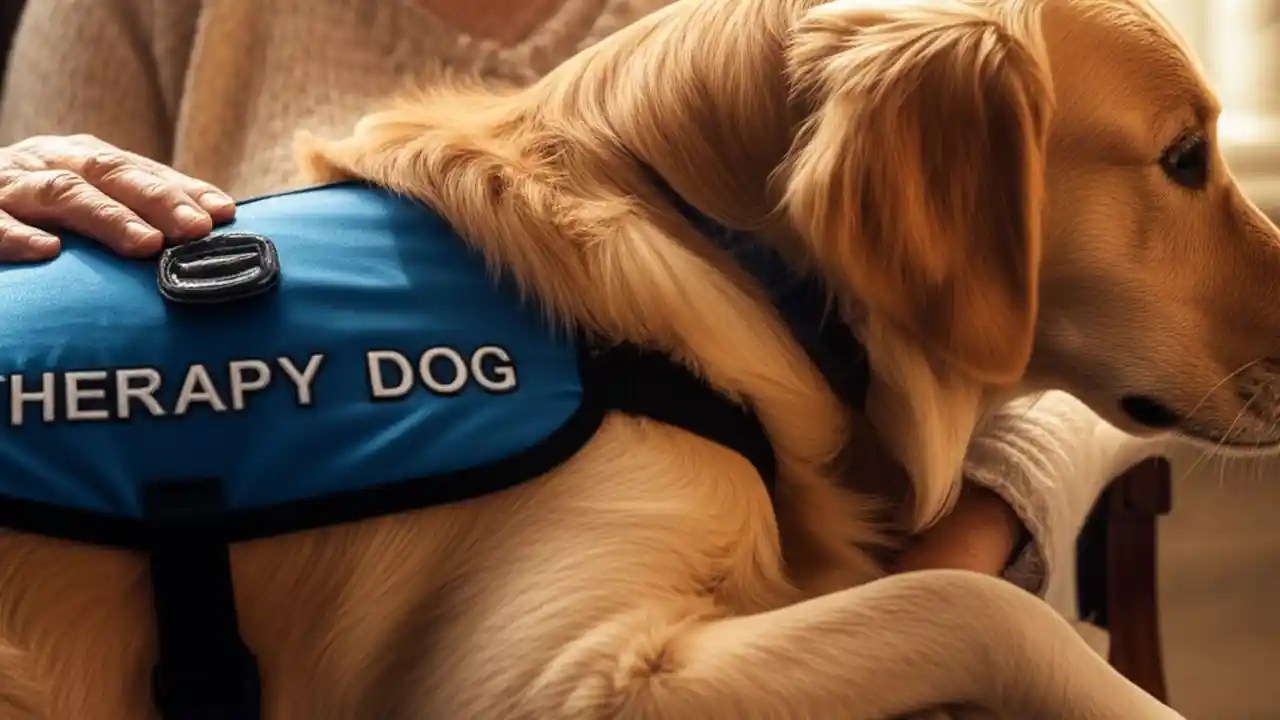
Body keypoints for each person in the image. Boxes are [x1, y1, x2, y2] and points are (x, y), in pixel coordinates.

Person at [0, 0, 1154, 605]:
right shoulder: (131, 7)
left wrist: (930, 604)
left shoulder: (849, 21)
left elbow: (1104, 309)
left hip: (776, 634)